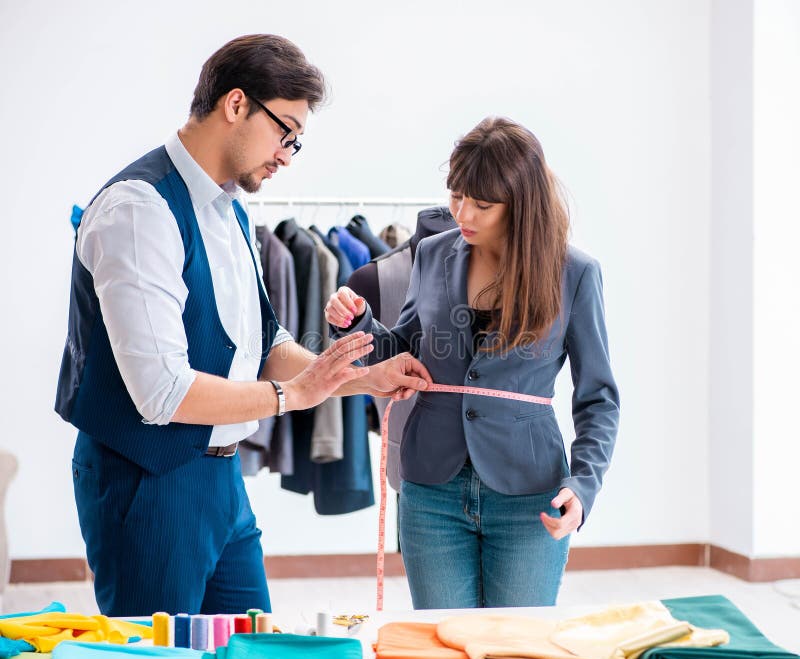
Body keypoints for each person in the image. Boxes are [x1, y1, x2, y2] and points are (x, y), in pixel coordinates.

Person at [54, 34, 430, 617]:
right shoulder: (139, 210)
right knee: (163, 658)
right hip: (148, 480)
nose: (287, 153)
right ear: (235, 105)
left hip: (223, 484)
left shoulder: (229, 208)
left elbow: (266, 342)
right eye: (286, 133)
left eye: (295, 143)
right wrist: (291, 397)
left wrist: (362, 378)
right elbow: (162, 394)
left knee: (253, 646)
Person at [325, 117, 620, 609]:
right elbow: (405, 348)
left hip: (530, 493)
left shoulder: (576, 273)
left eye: (482, 204)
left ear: (523, 205)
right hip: (431, 491)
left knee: (514, 647)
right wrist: (357, 325)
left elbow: (599, 399)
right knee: (443, 645)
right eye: (456, 195)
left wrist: (584, 484)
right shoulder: (434, 254)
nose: (463, 212)